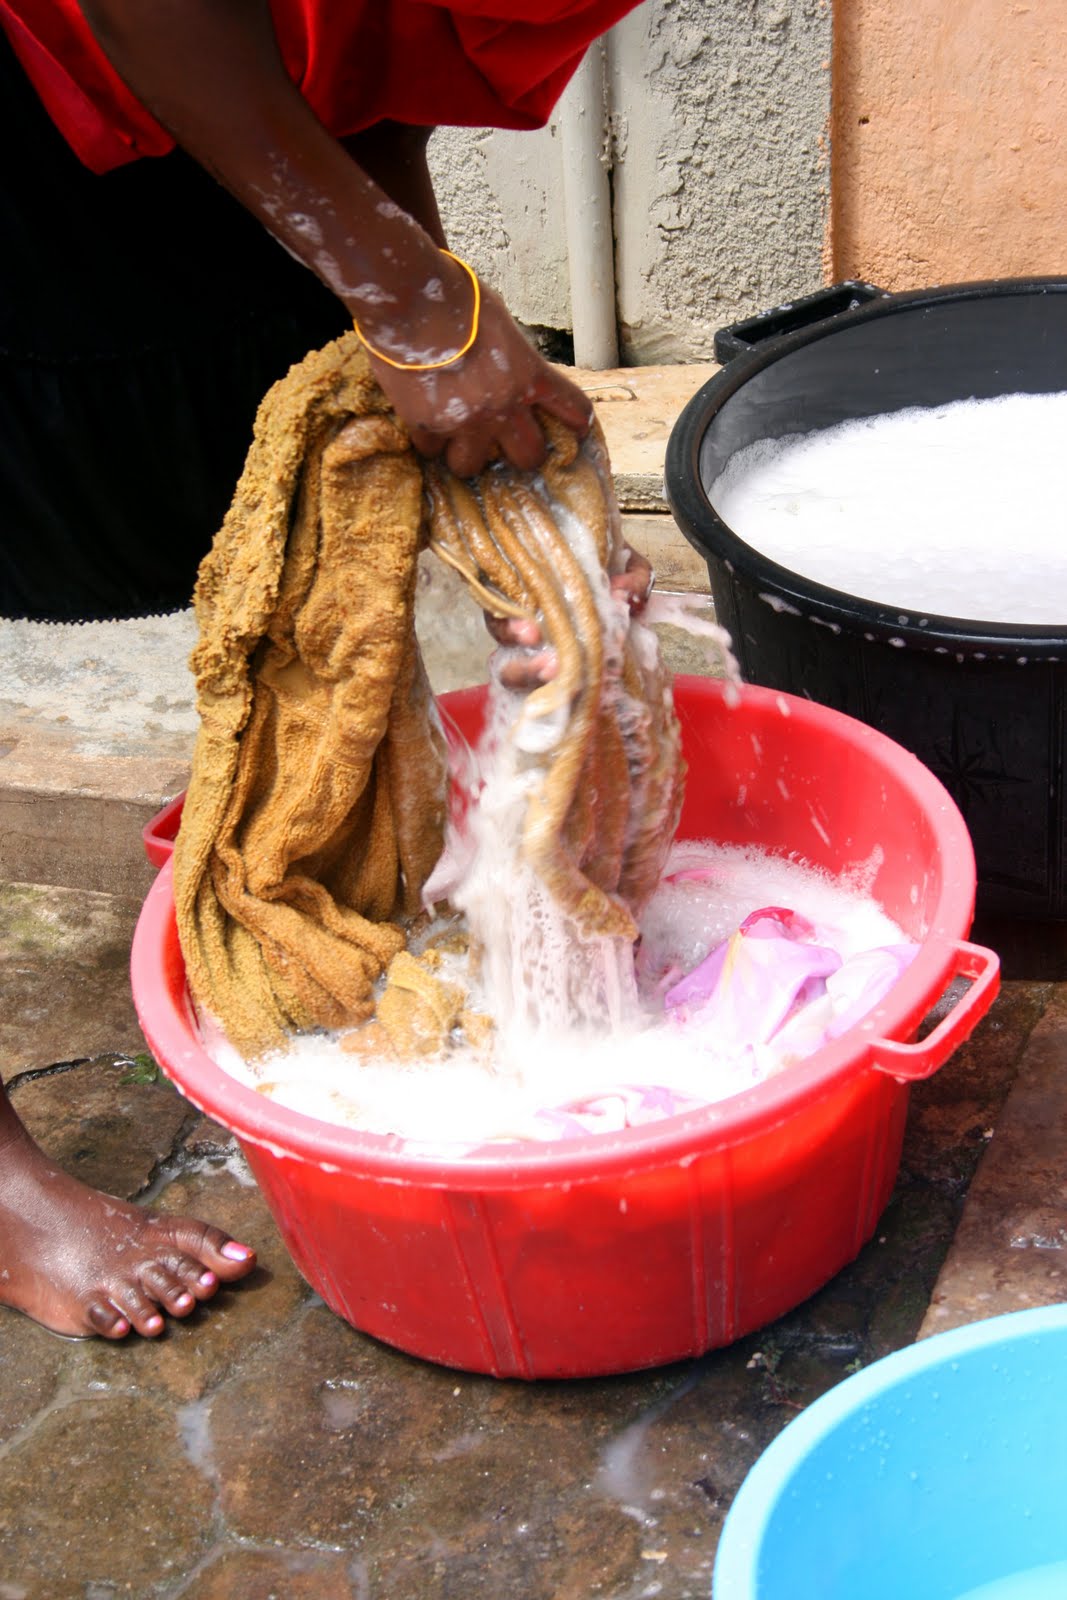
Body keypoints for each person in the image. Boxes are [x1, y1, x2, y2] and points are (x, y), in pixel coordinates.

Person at [0, 0, 650, 1337]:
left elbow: (373, 44)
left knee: (335, 449)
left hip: (192, 137)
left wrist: (515, 519)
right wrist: (410, 298)